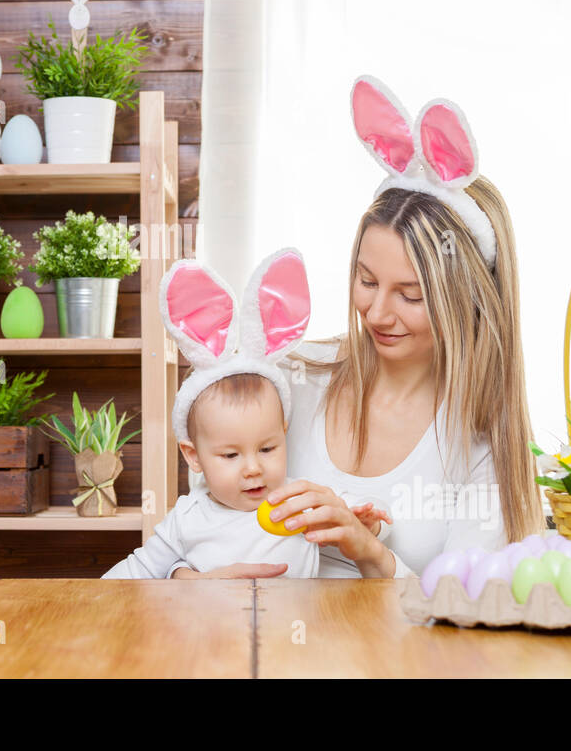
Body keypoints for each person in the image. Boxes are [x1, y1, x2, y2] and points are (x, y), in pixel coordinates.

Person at [169, 75, 544, 580]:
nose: (377, 313)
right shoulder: (291, 381)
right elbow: (193, 530)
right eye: (366, 281)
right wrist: (188, 582)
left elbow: (464, 626)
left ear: (467, 302)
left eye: (411, 295)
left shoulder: (481, 440)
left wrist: (372, 555)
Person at [102, 248, 389, 579]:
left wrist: (368, 523)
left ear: (284, 432)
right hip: (215, 630)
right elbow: (136, 572)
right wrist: (90, 603)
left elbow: (352, 517)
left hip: (293, 629)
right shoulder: (188, 517)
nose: (253, 468)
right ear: (193, 456)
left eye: (267, 449)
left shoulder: (297, 500)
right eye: (230, 455)